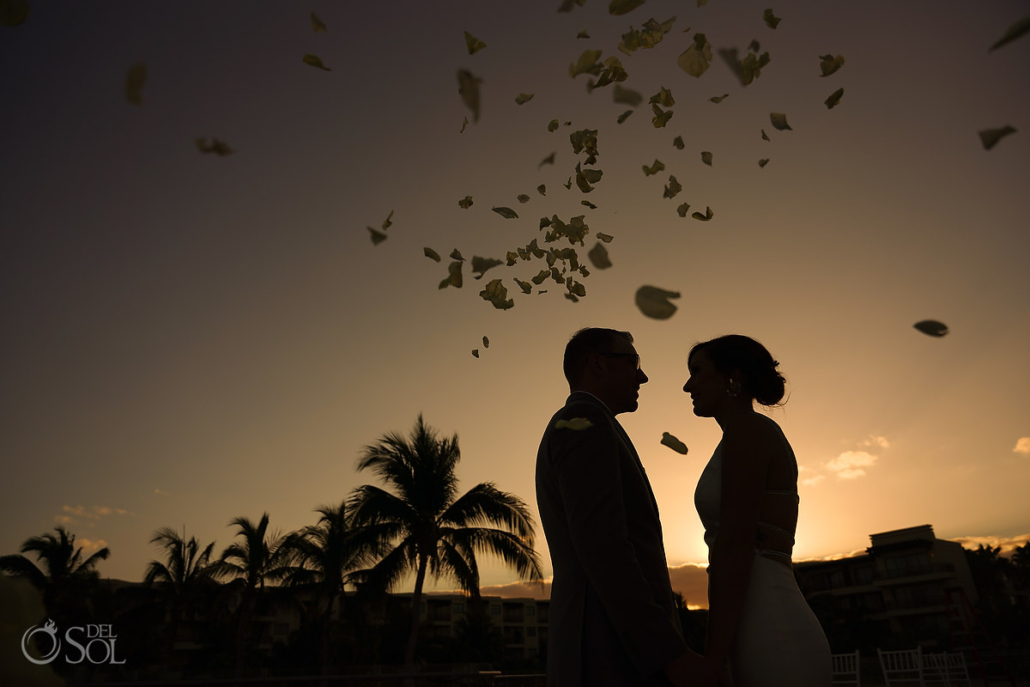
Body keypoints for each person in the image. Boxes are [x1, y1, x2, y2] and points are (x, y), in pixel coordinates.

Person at [536, 328, 722, 687]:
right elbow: (604, 548)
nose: (643, 375)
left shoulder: (590, 424)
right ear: (598, 364)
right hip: (606, 649)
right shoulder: (585, 424)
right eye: (633, 362)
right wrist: (670, 654)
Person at [685, 335, 832, 686]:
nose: (688, 385)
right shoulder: (738, 436)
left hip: (772, 626)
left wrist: (713, 658)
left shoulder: (749, 431)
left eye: (697, 371)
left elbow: (736, 545)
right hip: (753, 622)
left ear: (732, 376)